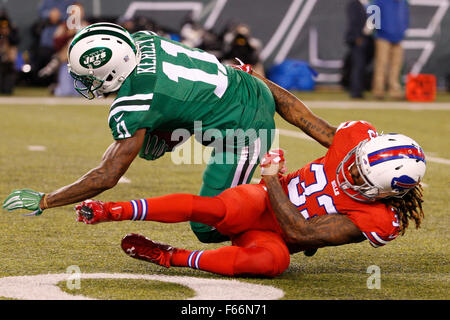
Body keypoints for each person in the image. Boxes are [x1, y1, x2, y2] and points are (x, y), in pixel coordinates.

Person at [2, 23, 335, 245]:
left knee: (209, 226)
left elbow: (106, 176)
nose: (84, 84)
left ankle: (294, 217)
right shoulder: (143, 39)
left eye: (87, 77)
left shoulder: (135, 103)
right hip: (240, 81)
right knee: (147, 145)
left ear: (113, 70)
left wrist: (46, 200)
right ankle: (326, 146)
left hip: (241, 127)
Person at [72, 121, 426, 278]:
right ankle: (113, 210)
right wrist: (258, 79)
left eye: (359, 174)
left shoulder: (379, 219)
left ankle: (171, 257)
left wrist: (272, 178)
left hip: (278, 230)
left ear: (383, 192)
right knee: (225, 208)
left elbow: (301, 233)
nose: (349, 168)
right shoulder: (354, 139)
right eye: (356, 160)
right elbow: (300, 115)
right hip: (258, 201)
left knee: (273, 263)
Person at [371, 0, 409, 100]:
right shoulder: (380, 1)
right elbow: (372, 12)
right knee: (381, 64)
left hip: (398, 37)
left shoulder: (402, 2)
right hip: (383, 37)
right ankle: (378, 91)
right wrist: (380, 29)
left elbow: (405, 16)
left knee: (396, 65)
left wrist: (403, 30)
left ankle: (395, 91)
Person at [343, 0, 374, 99]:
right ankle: (355, 92)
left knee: (362, 67)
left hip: (367, 39)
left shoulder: (368, 5)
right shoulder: (354, 4)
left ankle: (359, 90)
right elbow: (353, 21)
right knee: (358, 66)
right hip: (358, 40)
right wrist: (357, 37)